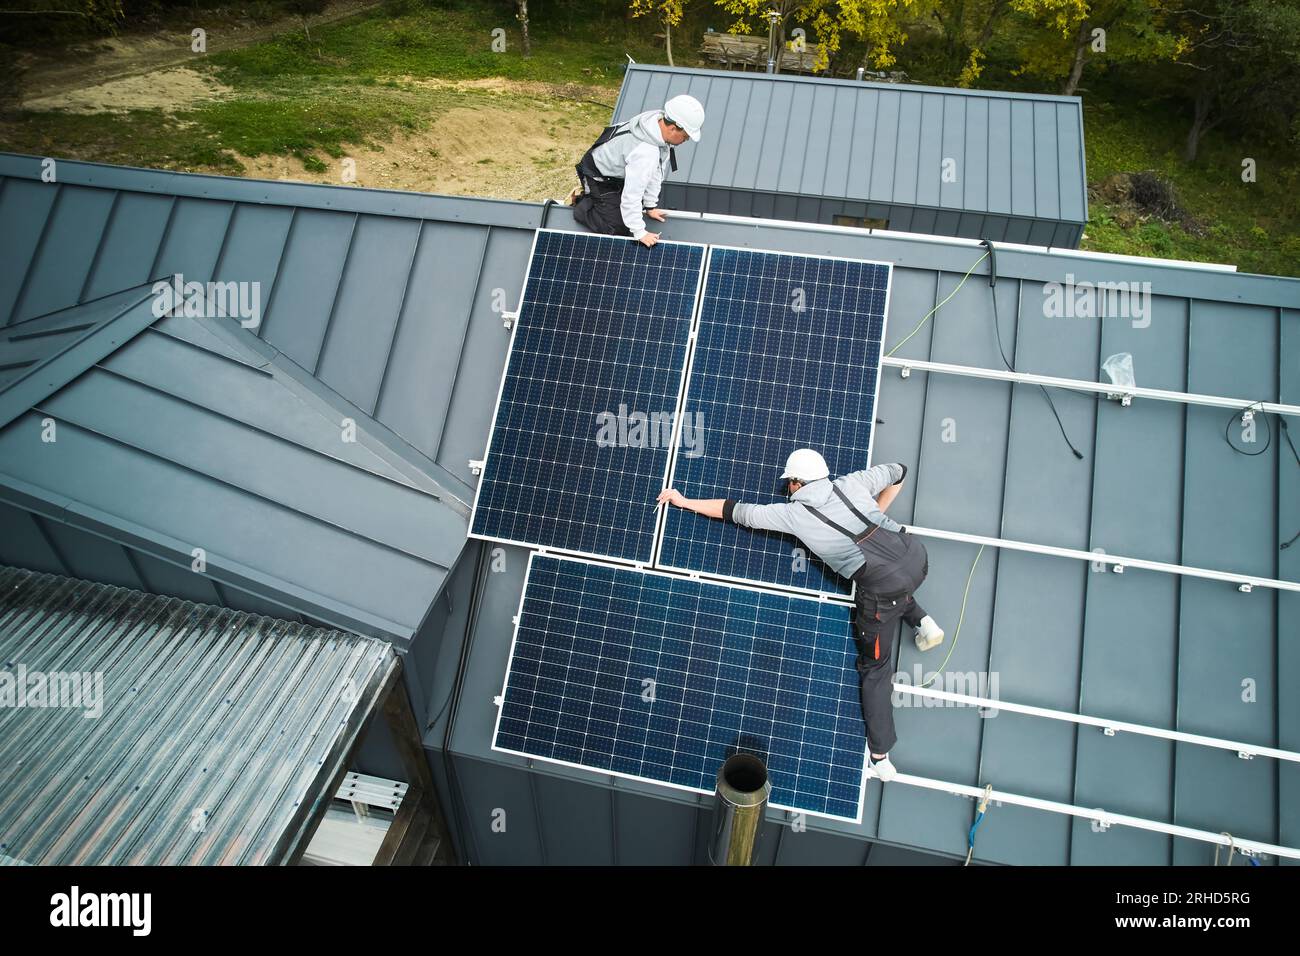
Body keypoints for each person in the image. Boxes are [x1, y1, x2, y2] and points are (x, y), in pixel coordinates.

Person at [656, 448, 943, 783]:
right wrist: (876, 516)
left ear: (795, 483)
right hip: (917, 556)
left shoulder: (793, 516)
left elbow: (734, 511)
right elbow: (901, 470)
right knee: (893, 580)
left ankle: (880, 755)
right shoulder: (852, 482)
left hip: (884, 586)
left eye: (788, 484)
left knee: (875, 666)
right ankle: (922, 620)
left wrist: (684, 500)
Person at [568, 94, 705, 248]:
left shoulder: (655, 123)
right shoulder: (646, 152)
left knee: (634, 210)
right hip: (596, 175)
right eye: (685, 137)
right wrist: (640, 233)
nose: (685, 141)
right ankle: (582, 204)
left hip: (618, 172)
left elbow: (656, 171)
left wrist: (650, 206)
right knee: (619, 228)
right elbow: (632, 194)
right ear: (673, 128)